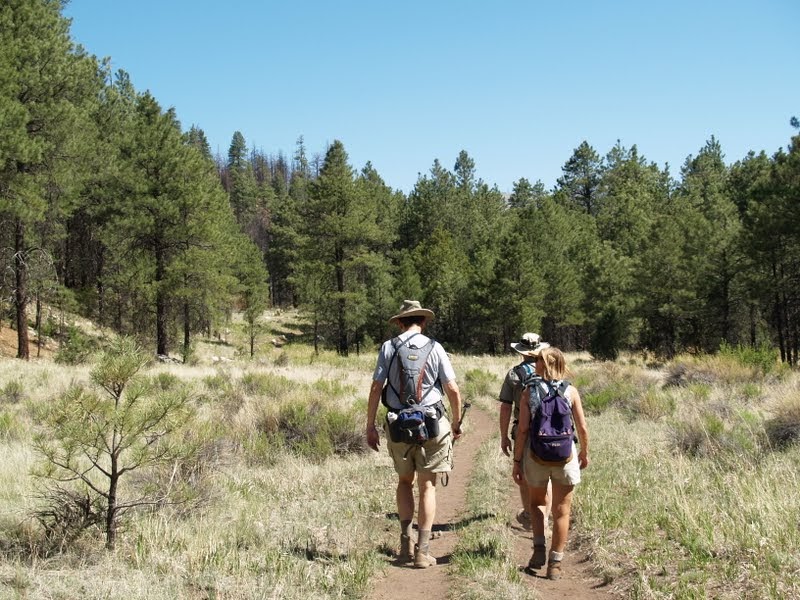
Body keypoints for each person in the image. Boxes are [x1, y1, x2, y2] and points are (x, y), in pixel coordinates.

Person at [366, 300, 463, 569]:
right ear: (423, 321)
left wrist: (370, 425)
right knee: (427, 486)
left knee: (404, 482)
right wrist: (456, 423)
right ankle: (423, 550)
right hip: (432, 424)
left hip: (398, 425)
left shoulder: (388, 347)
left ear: (400, 322)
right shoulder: (436, 347)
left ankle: (405, 545)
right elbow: (452, 389)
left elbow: (376, 388)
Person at [512, 344, 589, 580]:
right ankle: (555, 564)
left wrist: (517, 460)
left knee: (537, 504)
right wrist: (584, 452)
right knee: (562, 511)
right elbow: (582, 427)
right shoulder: (571, 391)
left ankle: (538, 550)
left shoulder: (529, 391)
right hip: (565, 455)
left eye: (538, 360)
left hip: (537, 454)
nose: (535, 363)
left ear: (543, 364)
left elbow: (523, 429)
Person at [498, 332, 550, 530]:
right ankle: (545, 519)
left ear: (521, 351)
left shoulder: (514, 374)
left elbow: (506, 407)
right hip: (549, 429)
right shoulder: (550, 370)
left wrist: (504, 436)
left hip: (524, 430)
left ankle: (529, 515)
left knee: (524, 475)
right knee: (546, 475)